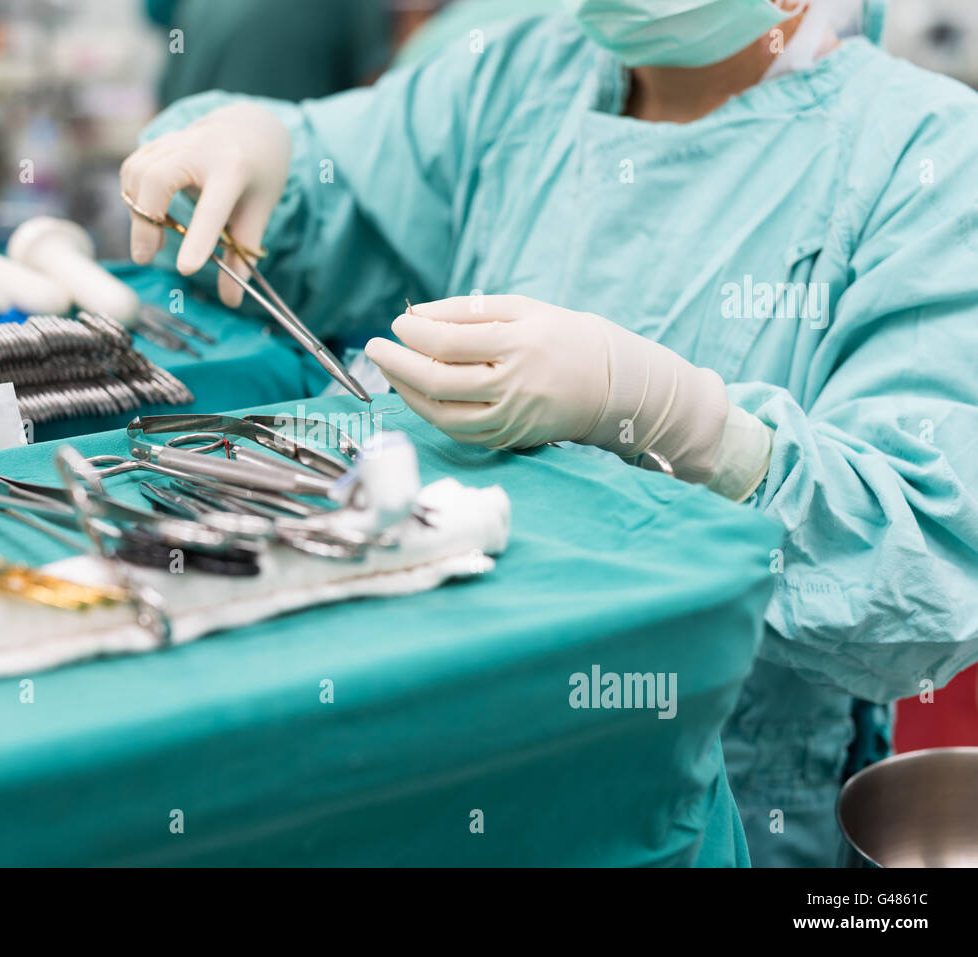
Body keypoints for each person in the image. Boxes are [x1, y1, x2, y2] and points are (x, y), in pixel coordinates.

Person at [119, 0, 978, 866]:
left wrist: (680, 418)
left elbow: (929, 560)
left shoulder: (924, 153)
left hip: (722, 808)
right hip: (445, 753)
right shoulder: (524, 72)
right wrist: (258, 147)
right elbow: (334, 168)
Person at [144, 0, 393, 108]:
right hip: (286, 191)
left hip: (188, 190)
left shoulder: (193, 6)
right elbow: (372, 101)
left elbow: (163, 102)